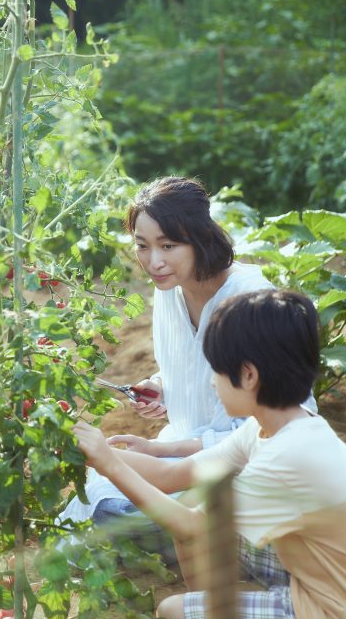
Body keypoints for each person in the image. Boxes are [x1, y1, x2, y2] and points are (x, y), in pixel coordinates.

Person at [73, 289, 346, 619]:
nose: (213, 382)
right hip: (329, 587)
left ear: (248, 376)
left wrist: (109, 465)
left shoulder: (289, 456)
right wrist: (85, 451)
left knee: (173, 614)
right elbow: (175, 475)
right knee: (192, 515)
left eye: (217, 371)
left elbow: (191, 527)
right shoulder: (275, 425)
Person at [60, 177, 315, 525]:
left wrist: (157, 451)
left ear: (198, 238)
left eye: (167, 246)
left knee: (130, 512)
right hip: (189, 451)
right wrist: (163, 386)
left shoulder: (247, 301)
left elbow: (267, 427)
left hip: (254, 460)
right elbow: (200, 366)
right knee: (102, 498)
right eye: (143, 246)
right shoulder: (170, 291)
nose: (153, 262)